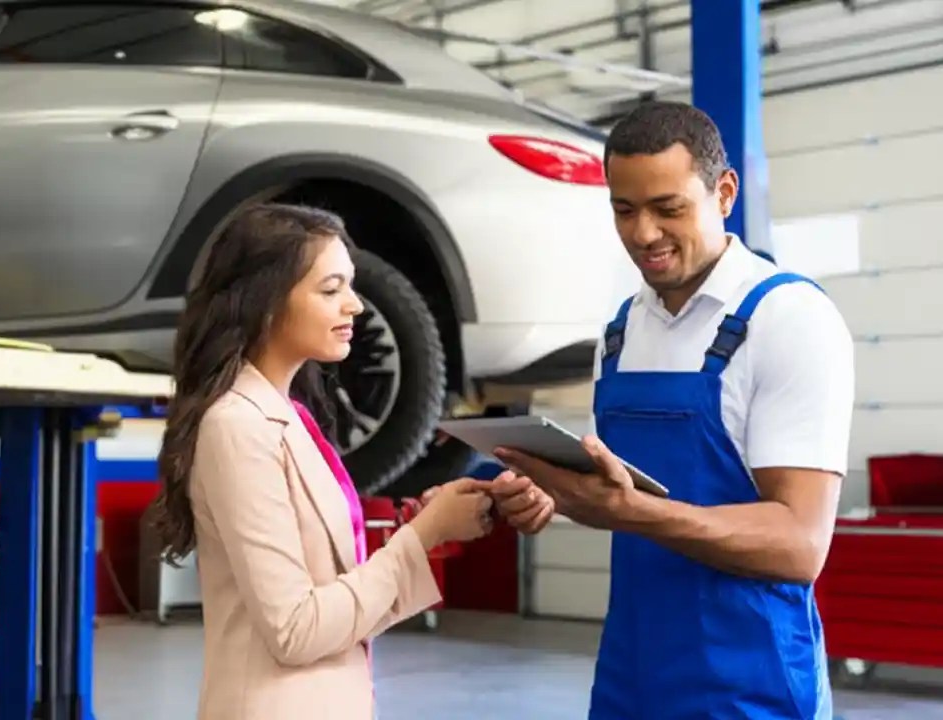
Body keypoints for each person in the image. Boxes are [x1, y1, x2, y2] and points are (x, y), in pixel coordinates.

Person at [488, 101, 855, 719]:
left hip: (750, 680)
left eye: (668, 208)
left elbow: (799, 544)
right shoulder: (620, 334)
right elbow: (620, 486)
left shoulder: (789, 320)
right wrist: (551, 493)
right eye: (624, 210)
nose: (643, 234)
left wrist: (636, 513)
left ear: (725, 192)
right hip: (632, 672)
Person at [149, 203, 495, 720]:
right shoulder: (238, 427)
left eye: (350, 287)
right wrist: (422, 534)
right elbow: (296, 630)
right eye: (331, 289)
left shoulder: (290, 417)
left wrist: (431, 525)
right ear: (265, 302)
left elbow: (340, 606)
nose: (355, 306)